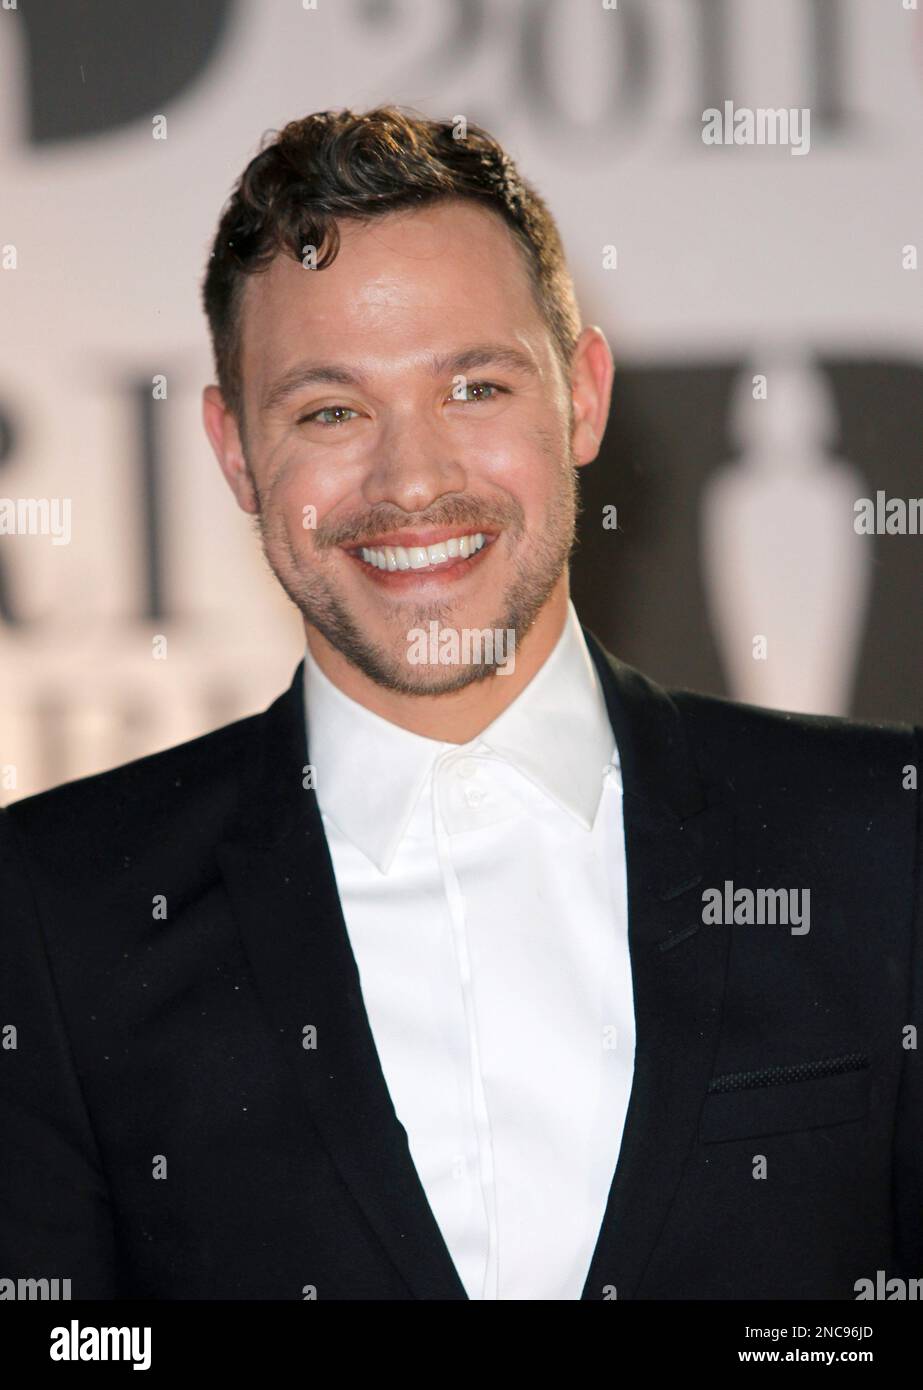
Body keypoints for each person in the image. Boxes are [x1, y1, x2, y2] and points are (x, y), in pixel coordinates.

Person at [1, 106, 920, 1301]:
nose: (413, 481)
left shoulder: (881, 844)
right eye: (330, 410)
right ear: (234, 451)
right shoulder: (50, 915)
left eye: (475, 387)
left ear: (580, 398)